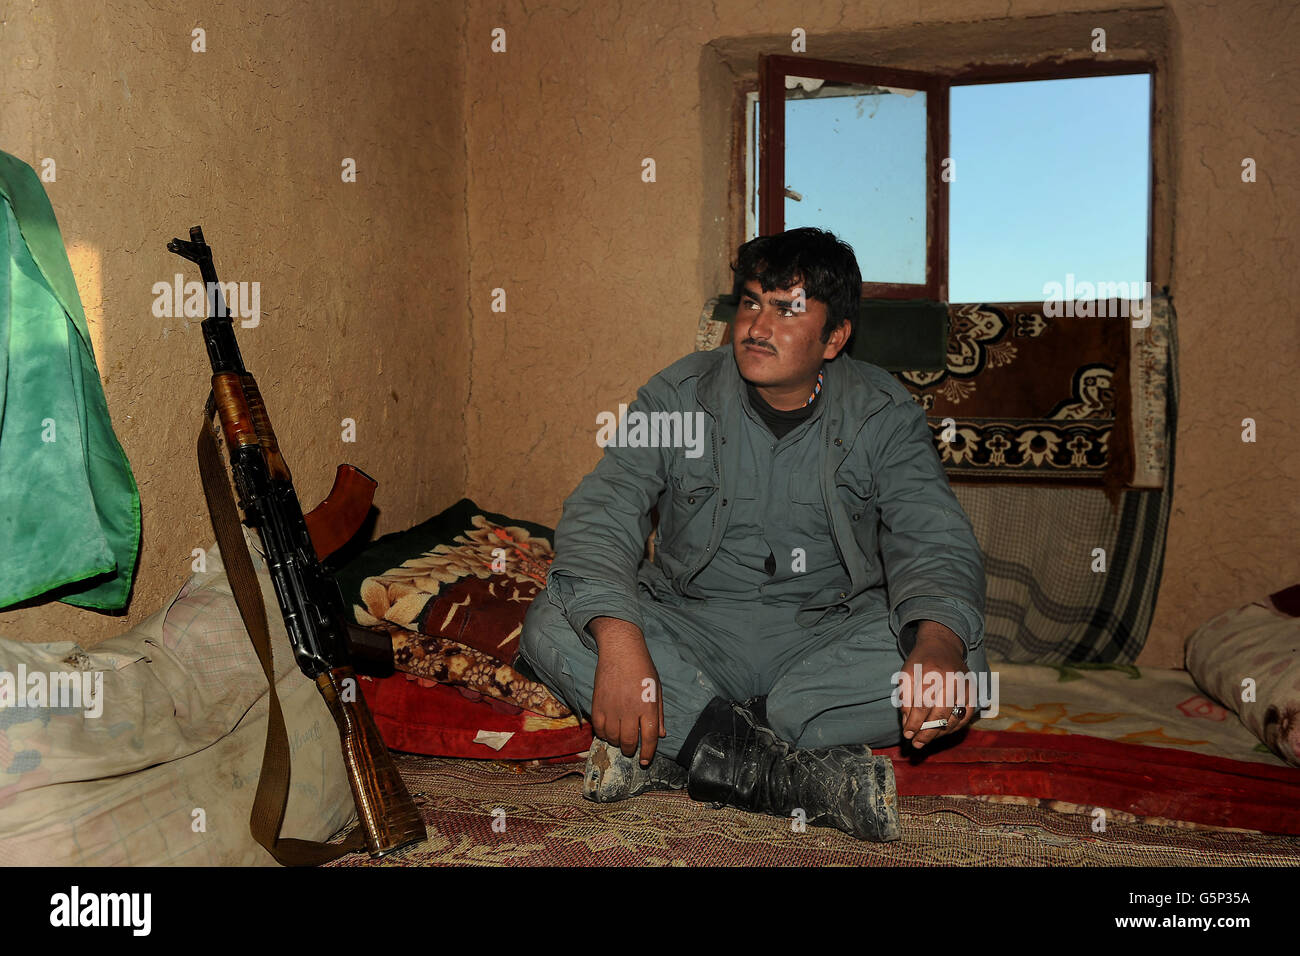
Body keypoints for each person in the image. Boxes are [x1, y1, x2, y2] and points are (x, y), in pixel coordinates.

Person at [518, 227, 989, 842]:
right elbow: (605, 508)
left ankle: (687, 747)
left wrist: (939, 642)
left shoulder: (882, 413)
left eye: (787, 308)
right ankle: (790, 777)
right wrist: (620, 636)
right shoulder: (677, 398)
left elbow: (932, 535)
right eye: (750, 301)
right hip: (695, 629)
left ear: (836, 337)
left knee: (964, 664)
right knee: (554, 620)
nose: (756, 326)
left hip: (826, 635)